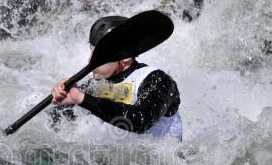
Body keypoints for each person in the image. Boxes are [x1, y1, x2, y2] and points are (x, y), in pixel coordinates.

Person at [50, 15, 182, 141]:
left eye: (97, 54)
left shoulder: (158, 81)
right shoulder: (95, 86)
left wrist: (81, 98)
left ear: (125, 56)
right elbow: (53, 124)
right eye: (91, 51)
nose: (89, 60)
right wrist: (65, 101)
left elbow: (141, 120)